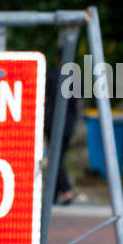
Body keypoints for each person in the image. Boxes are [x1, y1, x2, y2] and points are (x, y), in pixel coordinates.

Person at [46, 51, 78, 205]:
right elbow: (77, 102)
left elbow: (44, 98)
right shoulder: (75, 78)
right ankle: (54, 194)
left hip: (51, 122)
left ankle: (66, 190)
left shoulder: (51, 75)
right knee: (58, 157)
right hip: (68, 123)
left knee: (55, 158)